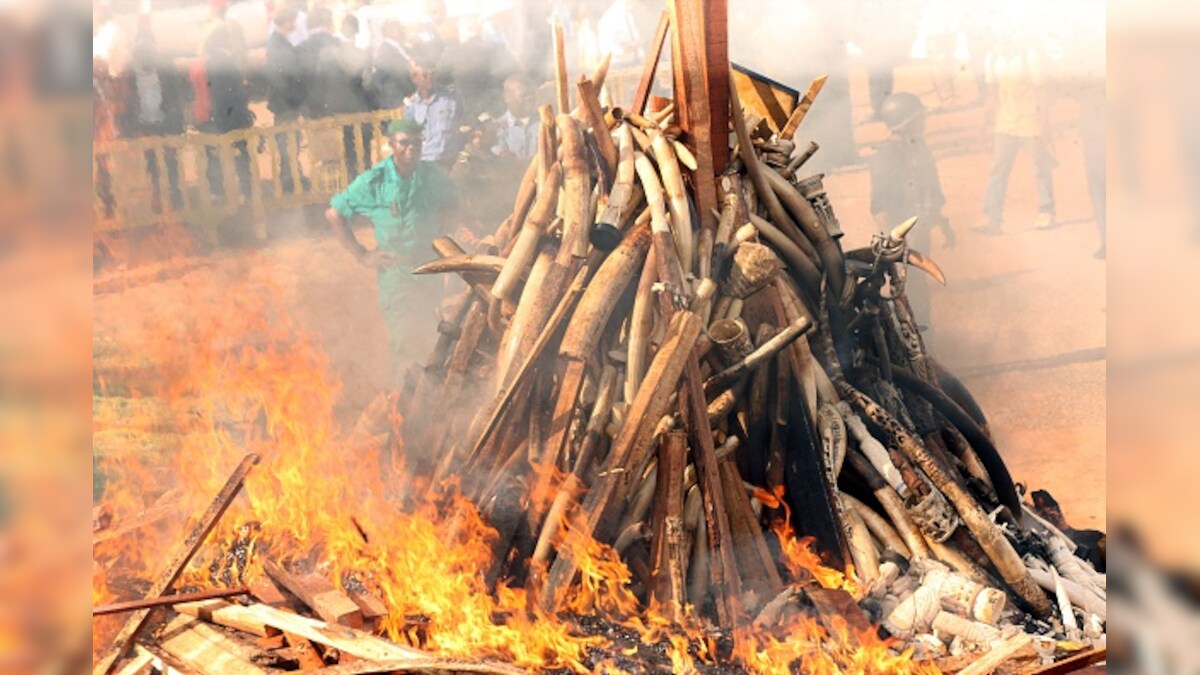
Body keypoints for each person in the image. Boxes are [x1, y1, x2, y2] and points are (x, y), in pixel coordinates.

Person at [325, 118, 458, 381]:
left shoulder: (433, 177)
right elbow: (334, 214)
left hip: (429, 268)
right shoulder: (374, 182)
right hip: (396, 272)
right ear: (391, 145)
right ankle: (398, 398)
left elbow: (453, 202)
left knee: (432, 332)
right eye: (405, 142)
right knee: (402, 337)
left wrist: (443, 236)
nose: (412, 148)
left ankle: (429, 394)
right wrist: (362, 255)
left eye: (417, 142)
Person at [868, 92, 952, 332]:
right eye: (919, 118)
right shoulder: (885, 157)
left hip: (920, 236)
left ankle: (926, 347)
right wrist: (897, 245)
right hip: (903, 245)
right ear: (904, 123)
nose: (924, 122)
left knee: (921, 294)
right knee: (909, 297)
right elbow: (880, 207)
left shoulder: (919, 149)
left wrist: (943, 223)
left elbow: (930, 191)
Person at [978, 34, 1055, 233]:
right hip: (1005, 123)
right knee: (997, 170)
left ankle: (1046, 210)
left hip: (1031, 121)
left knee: (1040, 166)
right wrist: (984, 125)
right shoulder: (993, 59)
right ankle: (993, 219)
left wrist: (1045, 125)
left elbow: (1042, 93)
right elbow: (992, 93)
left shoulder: (1030, 58)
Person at [118, 32, 188, 212]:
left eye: (149, 53)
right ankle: (156, 199)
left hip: (166, 125)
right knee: (152, 165)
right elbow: (125, 105)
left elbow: (176, 98)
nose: (146, 59)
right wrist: (131, 131)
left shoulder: (166, 70)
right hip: (144, 128)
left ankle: (175, 198)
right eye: (142, 55)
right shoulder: (129, 75)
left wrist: (178, 127)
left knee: (171, 164)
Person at [266, 6, 310, 194]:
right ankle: (290, 179)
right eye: (292, 21)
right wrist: (296, 101)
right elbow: (287, 77)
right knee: (289, 141)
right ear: (286, 22)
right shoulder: (279, 44)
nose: (294, 25)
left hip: (283, 102)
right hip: (286, 103)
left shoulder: (276, 42)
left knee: (288, 141)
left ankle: (290, 177)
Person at [402, 60, 462, 165]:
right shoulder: (412, 106)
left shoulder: (451, 99)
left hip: (449, 159)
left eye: (432, 75)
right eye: (425, 76)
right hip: (425, 161)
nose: (430, 79)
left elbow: (464, 121)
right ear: (414, 79)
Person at [491, 73, 538, 159]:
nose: (529, 98)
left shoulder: (546, 124)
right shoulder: (495, 129)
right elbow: (504, 165)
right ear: (507, 98)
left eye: (531, 94)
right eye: (523, 95)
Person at [371, 19, 415, 109]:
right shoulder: (386, 50)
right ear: (389, 31)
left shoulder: (400, 48)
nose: (402, 30)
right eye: (398, 27)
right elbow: (397, 74)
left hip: (404, 95)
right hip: (395, 99)